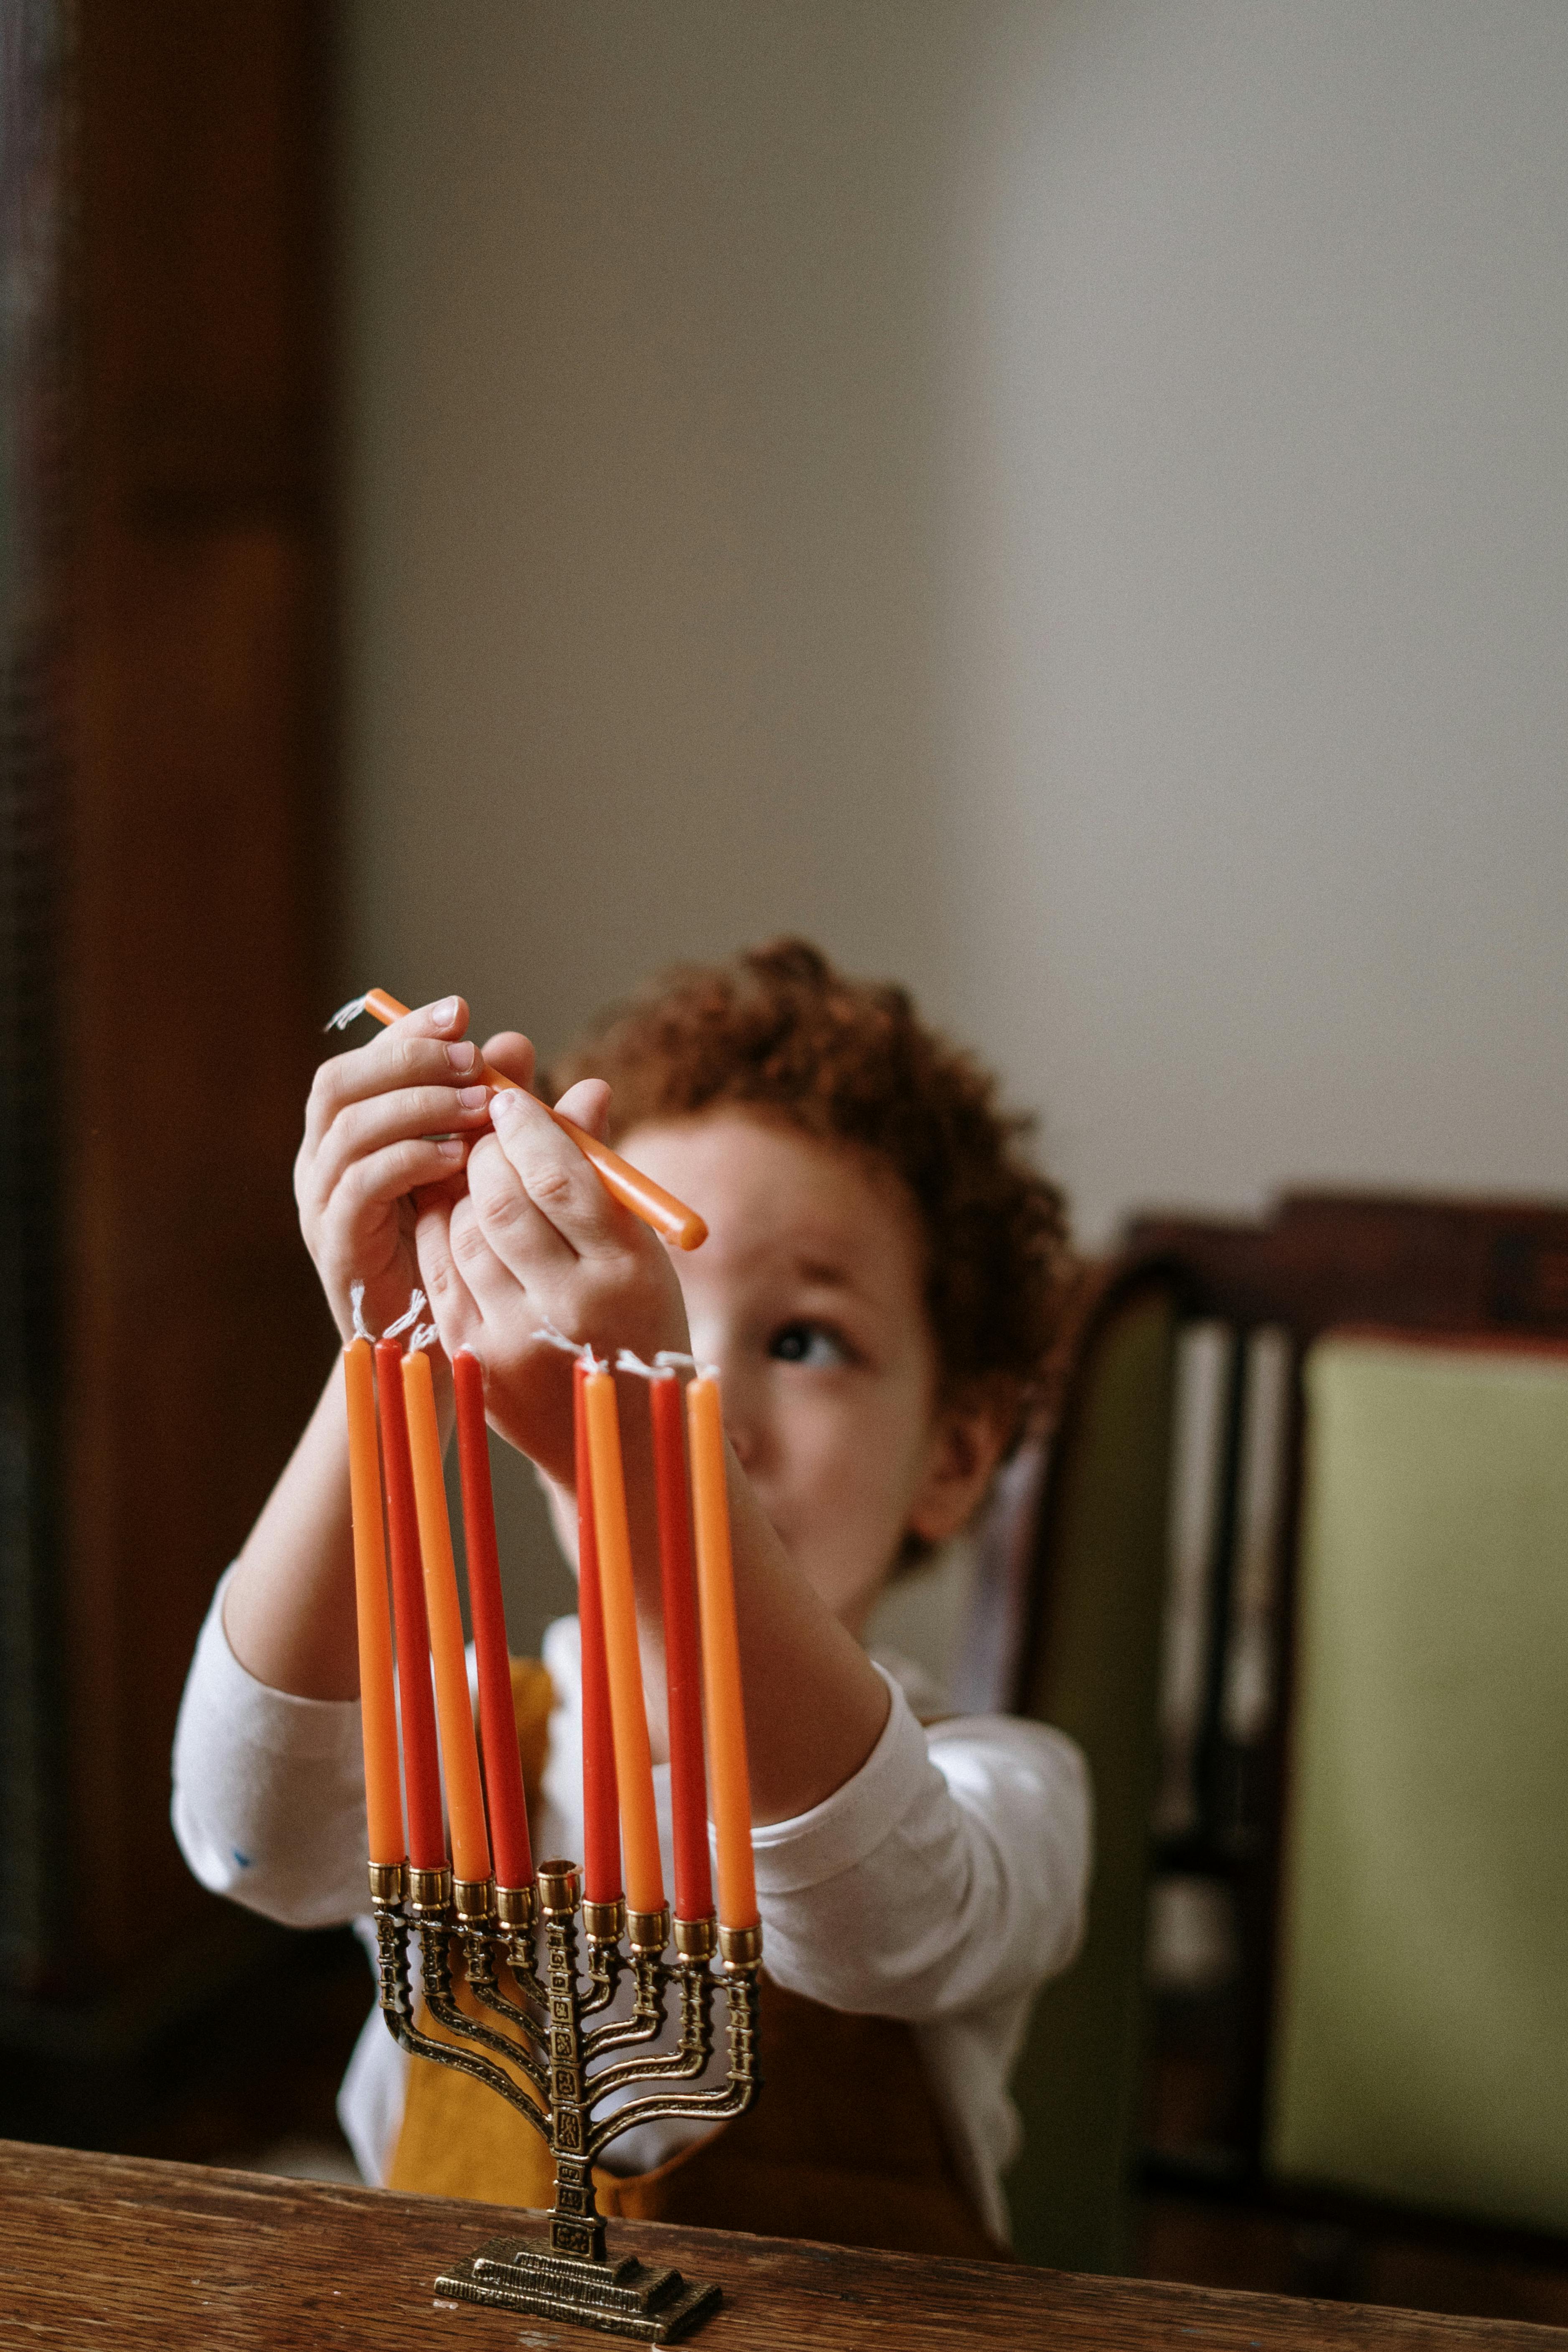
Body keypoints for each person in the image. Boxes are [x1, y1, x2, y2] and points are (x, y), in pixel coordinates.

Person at [172, 939, 1091, 2254]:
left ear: (953, 1453)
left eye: (801, 1340)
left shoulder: (1006, 1793)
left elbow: (876, 1919)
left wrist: (649, 1452)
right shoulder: (474, 1728)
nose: (703, 1387)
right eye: (653, 1322)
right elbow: (248, 1834)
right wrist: (391, 1346)